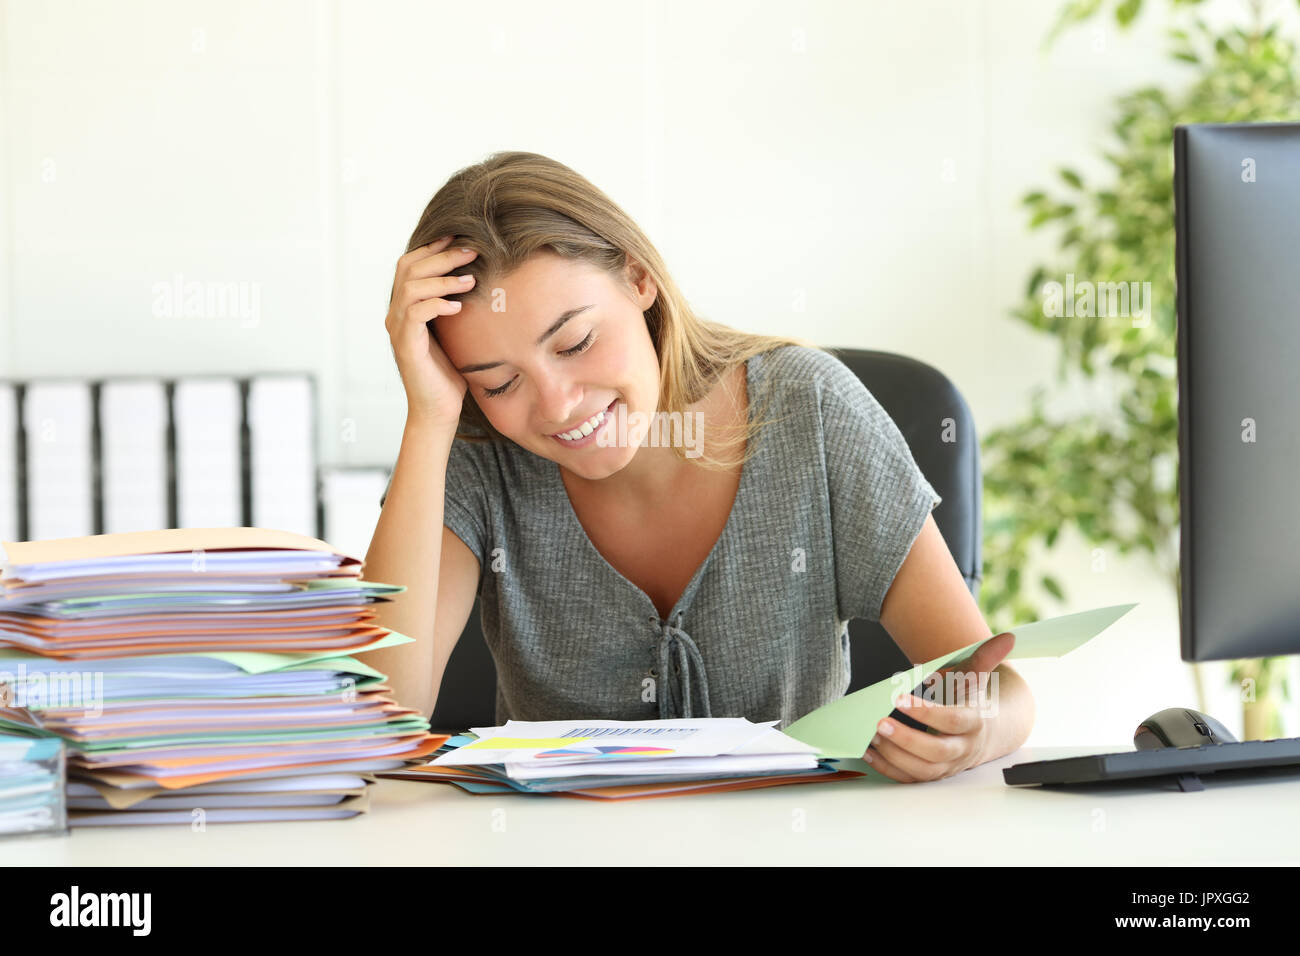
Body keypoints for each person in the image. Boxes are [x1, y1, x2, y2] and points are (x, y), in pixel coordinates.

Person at [364, 151, 1034, 782]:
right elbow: (378, 732)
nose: (558, 406)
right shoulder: (475, 454)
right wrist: (427, 419)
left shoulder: (810, 410)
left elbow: (997, 686)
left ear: (638, 278)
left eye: (575, 342)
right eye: (499, 383)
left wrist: (976, 730)